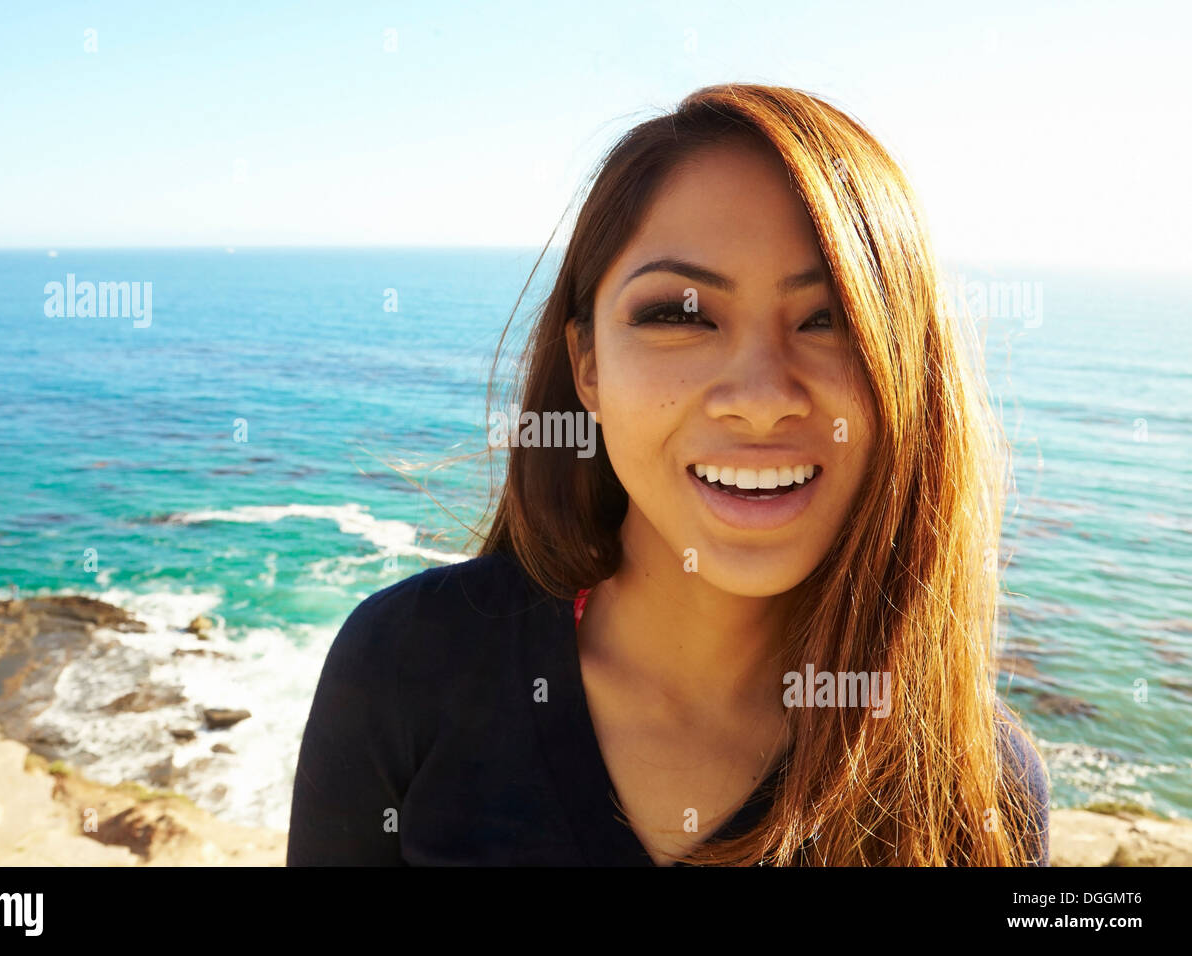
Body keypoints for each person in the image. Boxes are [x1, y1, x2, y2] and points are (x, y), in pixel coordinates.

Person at [288, 83, 1050, 866]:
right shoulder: (408, 665)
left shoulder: (975, 790)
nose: (760, 400)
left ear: (912, 373)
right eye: (681, 317)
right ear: (587, 365)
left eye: (831, 320)